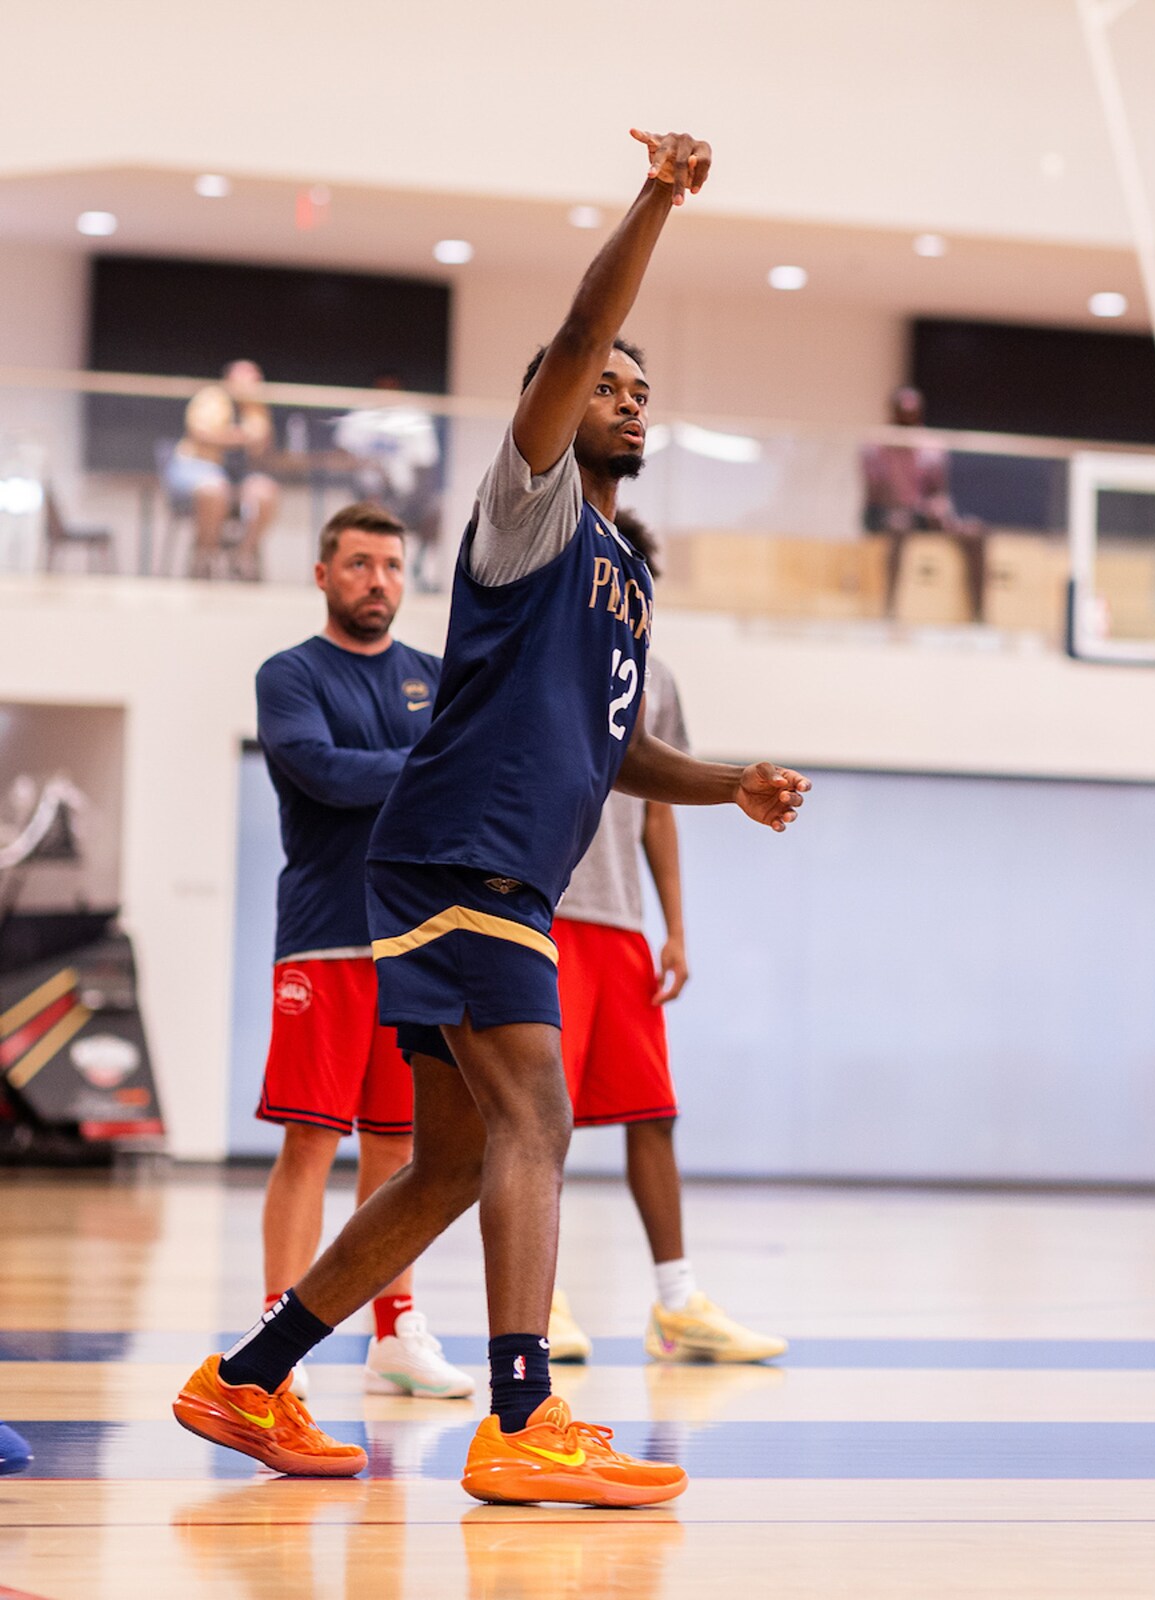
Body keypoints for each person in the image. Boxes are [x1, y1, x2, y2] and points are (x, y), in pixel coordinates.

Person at [174, 126, 810, 1508]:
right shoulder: (529, 510)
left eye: (643, 391)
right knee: (544, 1110)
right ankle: (522, 1416)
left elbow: (613, 745)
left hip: (486, 862)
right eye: (607, 385)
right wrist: (655, 199)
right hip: (463, 852)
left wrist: (727, 782)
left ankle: (248, 1378)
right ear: (556, 402)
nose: (627, 399)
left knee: (455, 1162)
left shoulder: (627, 576)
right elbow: (580, 328)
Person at [549, 511, 787, 1368]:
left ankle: (678, 1306)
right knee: (543, 1121)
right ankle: (539, 1302)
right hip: (548, 913)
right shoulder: (549, 652)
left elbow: (659, 808)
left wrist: (675, 928)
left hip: (621, 925)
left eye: (640, 587)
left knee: (653, 1112)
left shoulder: (659, 678)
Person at [253, 499, 471, 1403]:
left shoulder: (432, 675)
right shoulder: (290, 675)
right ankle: (276, 1337)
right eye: (357, 564)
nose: (377, 581)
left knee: (399, 1147)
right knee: (311, 1140)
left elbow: (469, 776)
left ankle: (393, 1333)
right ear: (322, 574)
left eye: (390, 566)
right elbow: (323, 773)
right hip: (325, 938)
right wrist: (430, 768)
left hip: (414, 940)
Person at [860, 385, 986, 621]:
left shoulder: (932, 446)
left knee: (974, 532)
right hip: (883, 514)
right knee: (899, 524)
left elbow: (938, 492)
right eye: (902, 413)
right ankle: (889, 611)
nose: (907, 419)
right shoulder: (875, 445)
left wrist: (939, 510)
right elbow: (874, 492)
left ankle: (978, 615)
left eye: (912, 413)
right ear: (893, 412)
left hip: (920, 514)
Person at [164, 359, 280, 580]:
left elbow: (262, 446)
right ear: (229, 379)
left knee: (266, 491)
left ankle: (243, 556)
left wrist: (254, 439)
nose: (253, 383)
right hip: (198, 468)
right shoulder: (211, 398)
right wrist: (240, 437)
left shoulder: (255, 406)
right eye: (247, 378)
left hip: (238, 475)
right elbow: (202, 434)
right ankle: (205, 557)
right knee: (215, 489)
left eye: (256, 379)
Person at [333, 373, 444, 592]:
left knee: (434, 511)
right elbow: (342, 456)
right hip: (366, 496)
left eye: (391, 389)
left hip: (406, 497)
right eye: (382, 388)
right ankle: (356, 573)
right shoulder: (360, 415)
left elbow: (425, 467)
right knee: (361, 514)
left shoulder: (414, 418)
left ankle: (421, 569)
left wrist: (407, 501)